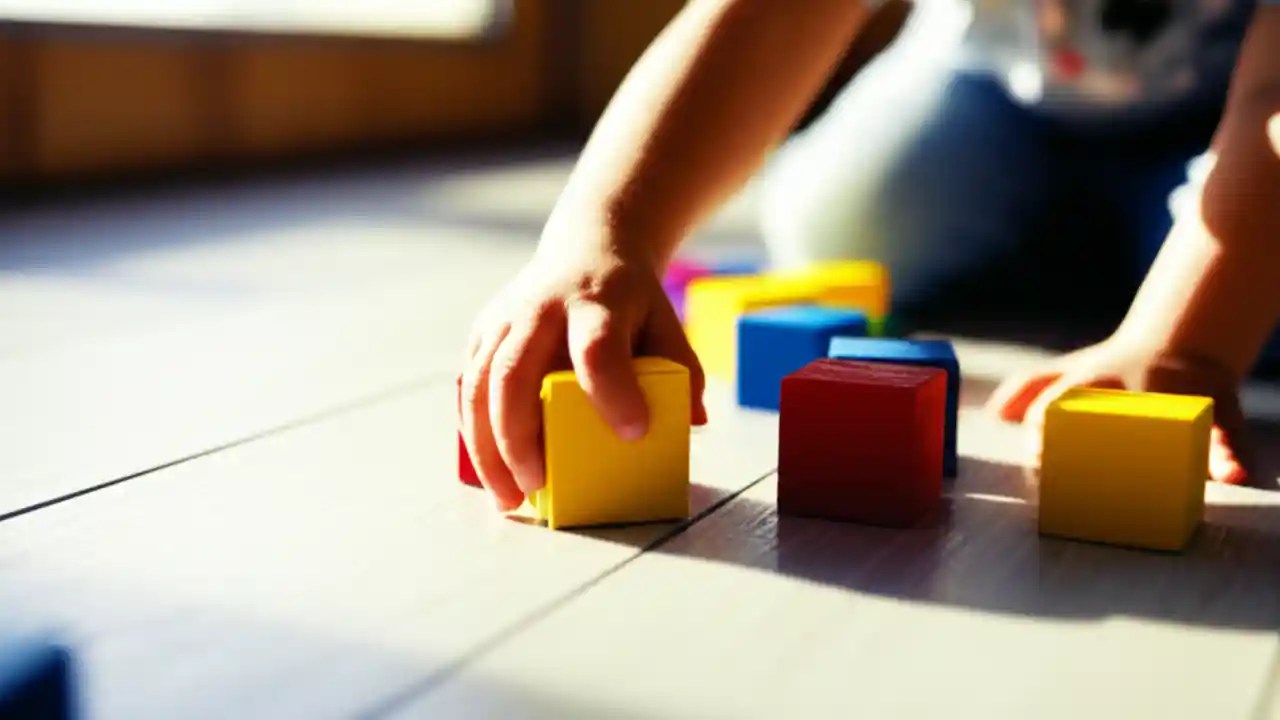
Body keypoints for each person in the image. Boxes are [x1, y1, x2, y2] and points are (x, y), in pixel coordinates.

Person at [460, 0, 1280, 511]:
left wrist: (1184, 344)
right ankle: (1107, 244)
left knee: (1254, 302)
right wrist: (602, 233)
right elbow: (765, 14)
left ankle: (1146, 266)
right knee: (846, 220)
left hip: (1236, 116)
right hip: (986, 81)